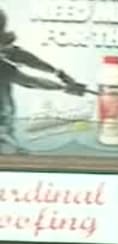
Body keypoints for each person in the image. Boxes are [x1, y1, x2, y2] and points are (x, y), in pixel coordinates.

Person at [0, 10, 87, 154]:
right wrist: (62, 86)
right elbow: (29, 81)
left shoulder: (7, 52)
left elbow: (28, 59)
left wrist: (59, 73)